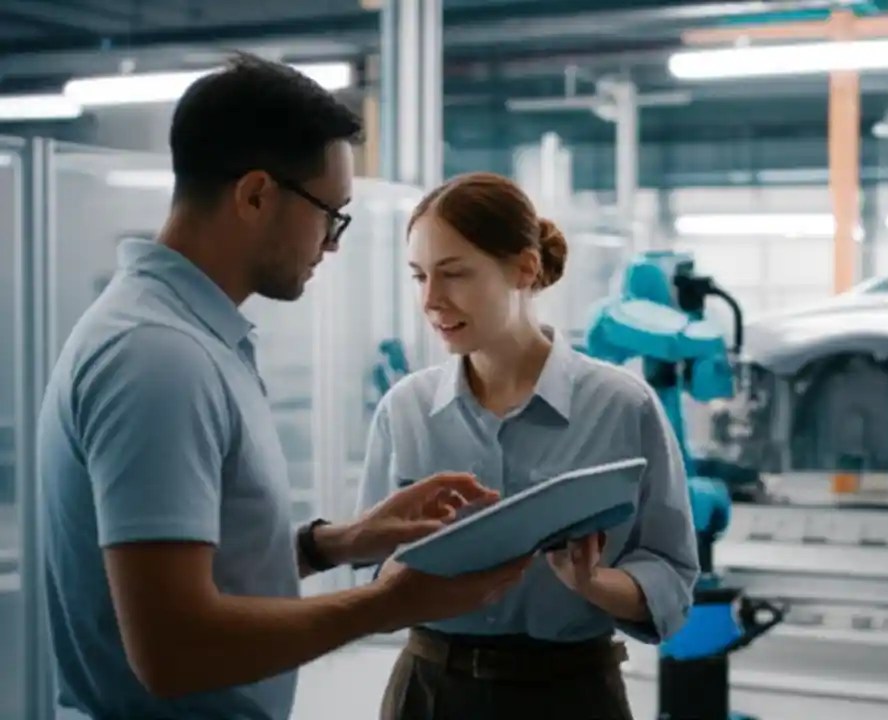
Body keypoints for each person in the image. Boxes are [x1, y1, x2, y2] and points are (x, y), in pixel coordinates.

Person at [36, 54, 529, 720]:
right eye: (332, 213)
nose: (330, 244)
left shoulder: (181, 335)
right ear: (256, 194)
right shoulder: (161, 357)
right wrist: (392, 602)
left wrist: (334, 544)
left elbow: (188, 577)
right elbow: (174, 650)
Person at [357, 171, 700, 720]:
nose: (431, 300)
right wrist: (404, 573)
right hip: (431, 694)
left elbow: (671, 576)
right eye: (419, 276)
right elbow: (368, 572)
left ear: (524, 268)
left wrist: (593, 583)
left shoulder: (620, 406)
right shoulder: (407, 410)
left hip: (572, 695)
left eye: (455, 274)